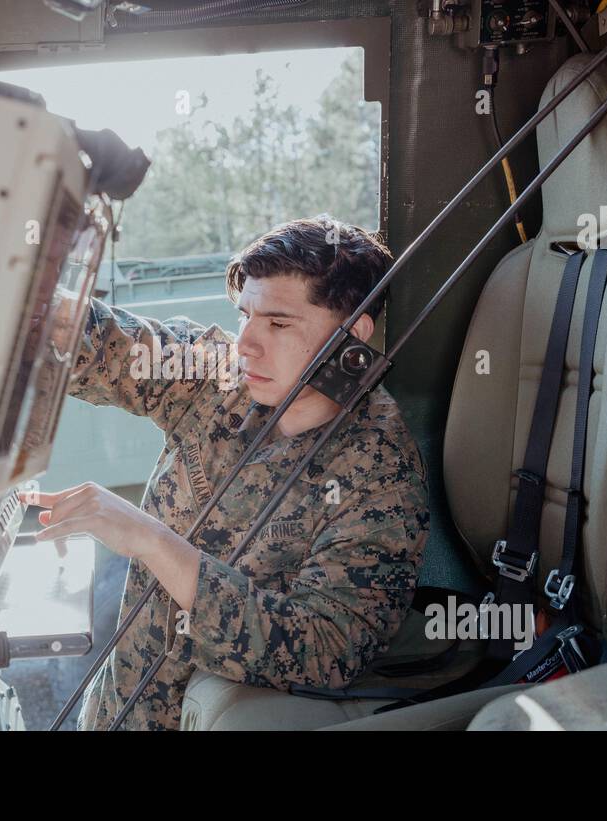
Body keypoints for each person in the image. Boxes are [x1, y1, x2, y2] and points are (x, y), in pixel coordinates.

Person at [26, 216, 429, 730]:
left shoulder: (379, 472)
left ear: (354, 333)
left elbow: (328, 650)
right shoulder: (217, 378)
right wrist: (14, 289)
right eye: (245, 316)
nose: (247, 344)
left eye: (278, 324)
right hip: (115, 711)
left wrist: (153, 541)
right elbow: (98, 342)